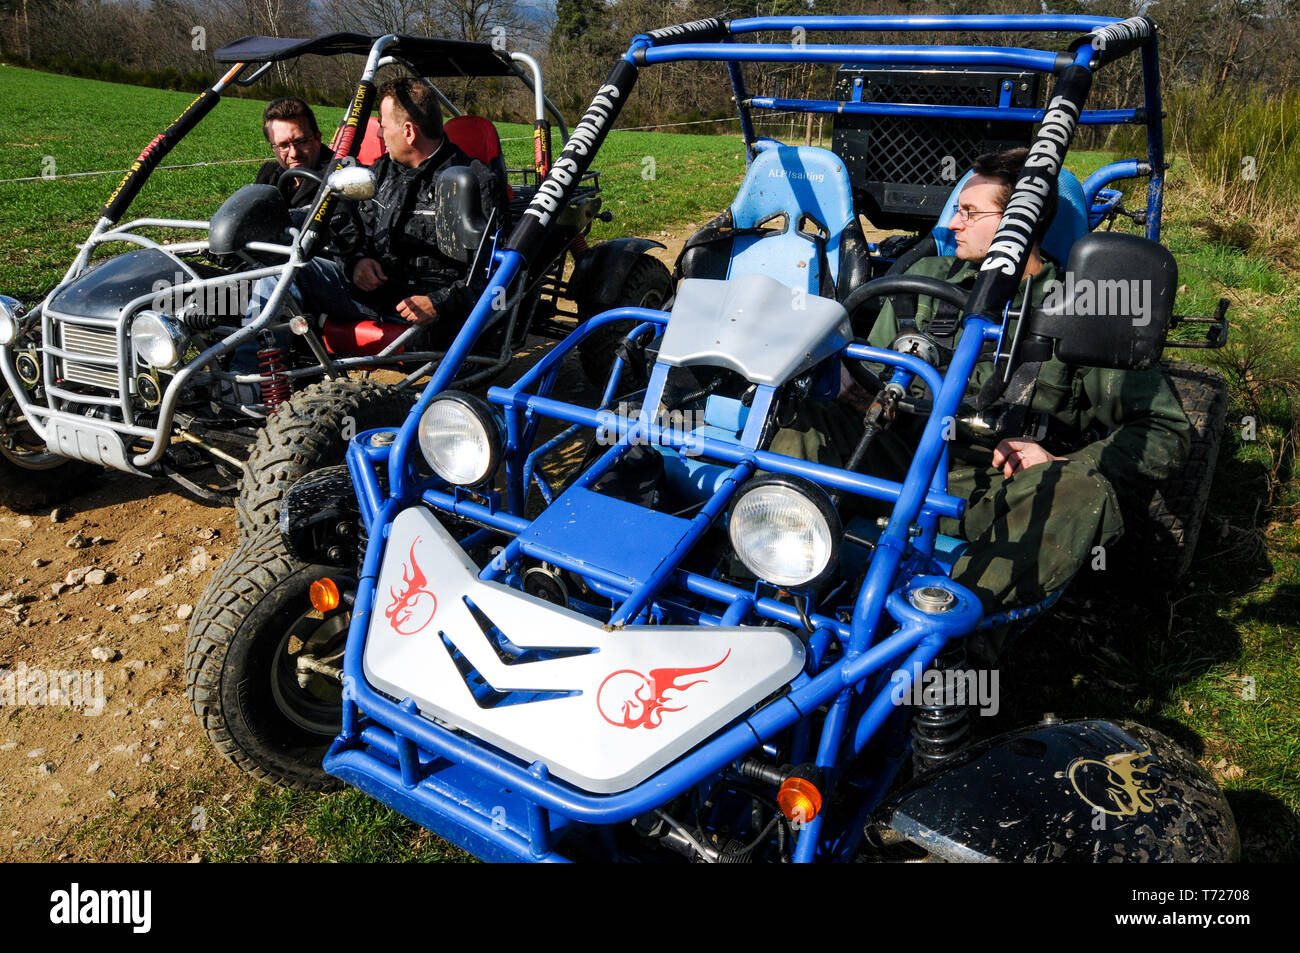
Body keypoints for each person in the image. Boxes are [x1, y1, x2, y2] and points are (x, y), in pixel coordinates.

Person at [774, 148, 1190, 616]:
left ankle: (944, 629)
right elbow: (876, 372)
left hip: (1001, 490)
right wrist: (858, 390)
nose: (952, 224)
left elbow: (1165, 431)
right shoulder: (923, 280)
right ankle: (778, 577)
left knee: (1078, 491)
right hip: (903, 459)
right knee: (806, 423)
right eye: (957, 210)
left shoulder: (1085, 308)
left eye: (969, 213)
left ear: (1020, 223)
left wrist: (1064, 459)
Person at [232, 77, 507, 402]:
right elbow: (350, 230)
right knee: (287, 272)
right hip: (376, 295)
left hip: (436, 312)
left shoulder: (474, 183)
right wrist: (355, 262)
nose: (378, 133)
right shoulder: (381, 172)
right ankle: (243, 392)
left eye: (385, 125)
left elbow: (498, 275)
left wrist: (439, 301)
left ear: (408, 132)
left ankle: (248, 391)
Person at [254, 97, 335, 207]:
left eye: (301, 142)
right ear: (273, 147)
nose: (294, 154)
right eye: (283, 145)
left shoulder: (340, 176)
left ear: (318, 138)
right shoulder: (268, 176)